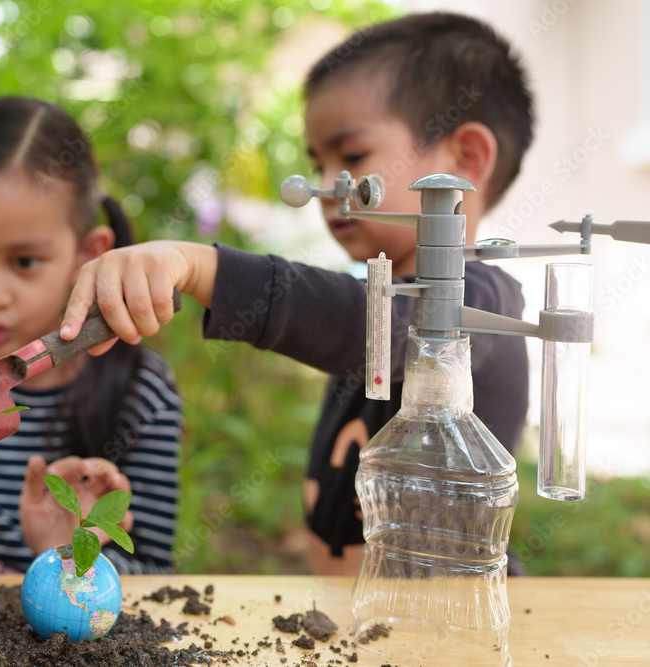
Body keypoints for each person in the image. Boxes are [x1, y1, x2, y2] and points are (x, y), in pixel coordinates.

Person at [59, 13, 532, 575]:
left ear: (465, 159)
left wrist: (199, 265)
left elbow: (376, 324)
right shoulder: (371, 298)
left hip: (449, 631)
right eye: (317, 164)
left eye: (351, 157)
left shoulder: (482, 298)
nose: (326, 189)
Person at [0, 96, 182, 574]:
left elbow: (154, 575)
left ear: (87, 254)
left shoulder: (141, 391)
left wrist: (65, 556)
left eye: (25, 262)